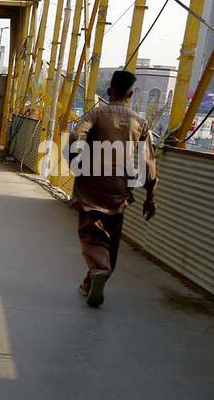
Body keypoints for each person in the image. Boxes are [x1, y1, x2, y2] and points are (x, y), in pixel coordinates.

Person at [67, 69, 158, 308]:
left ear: (110, 91)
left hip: (91, 185)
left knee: (90, 233)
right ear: (130, 94)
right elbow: (148, 161)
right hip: (118, 189)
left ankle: (95, 273)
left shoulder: (95, 114)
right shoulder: (139, 122)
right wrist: (151, 196)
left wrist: (77, 161)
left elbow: (78, 135)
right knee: (112, 238)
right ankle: (96, 278)